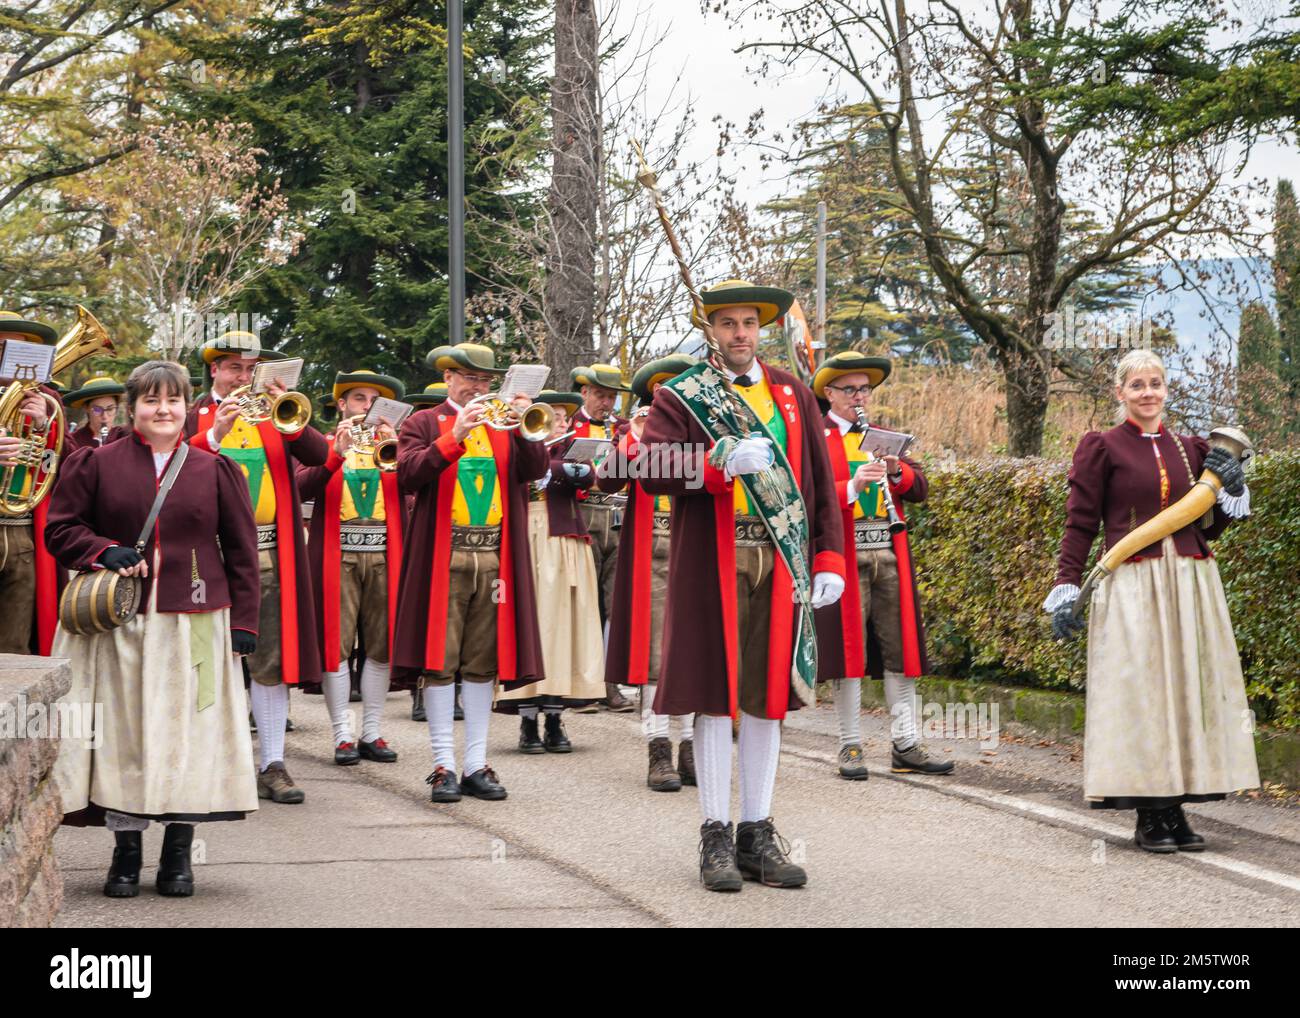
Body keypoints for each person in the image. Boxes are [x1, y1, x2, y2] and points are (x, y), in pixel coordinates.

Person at [641, 279, 845, 891]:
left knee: (765, 696)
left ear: (761, 330)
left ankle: (757, 832)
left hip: (780, 558)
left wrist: (829, 556)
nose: (740, 334)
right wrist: (718, 461)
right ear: (711, 330)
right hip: (716, 557)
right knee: (715, 693)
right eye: (727, 324)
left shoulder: (789, 391)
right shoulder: (681, 395)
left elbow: (819, 481)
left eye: (748, 324)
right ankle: (715, 834)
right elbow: (648, 466)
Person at [47, 360, 261, 898]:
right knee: (127, 738)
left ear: (187, 406)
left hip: (199, 623)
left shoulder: (215, 470)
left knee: (192, 736)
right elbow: (61, 529)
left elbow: (241, 553)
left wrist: (246, 624)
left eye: (171, 401)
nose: (161, 411)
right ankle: (126, 855)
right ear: (132, 407)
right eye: (150, 401)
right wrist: (102, 550)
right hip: (121, 624)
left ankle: (178, 855)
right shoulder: (96, 464)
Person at [1044, 349, 1258, 853]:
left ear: (1167, 390)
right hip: (1132, 584)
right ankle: (1149, 813)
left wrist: (1231, 488)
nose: (1148, 393)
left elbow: (1211, 527)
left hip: (1189, 580)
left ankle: (1175, 807)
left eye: (1156, 384)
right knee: (1143, 694)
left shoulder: (1191, 447)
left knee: (1185, 692)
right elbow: (1081, 522)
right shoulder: (1101, 447)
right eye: (1137, 385)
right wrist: (1066, 586)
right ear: (1120, 393)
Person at [392, 342, 548, 802]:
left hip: (494, 557)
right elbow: (406, 474)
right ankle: (443, 766)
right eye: (469, 378)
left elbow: (535, 471)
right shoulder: (423, 421)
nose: (478, 386)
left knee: (482, 664)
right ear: (449, 380)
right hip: (445, 555)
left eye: (484, 380)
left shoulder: (503, 425)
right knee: (440, 661)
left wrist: (524, 426)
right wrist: (453, 434)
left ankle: (477, 764)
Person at [185, 331, 328, 804]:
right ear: (215, 371)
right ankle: (206, 762)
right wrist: (214, 435)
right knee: (206, 661)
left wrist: (289, 414)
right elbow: (172, 470)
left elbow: (320, 457)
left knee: (269, 660)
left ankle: (273, 764)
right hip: (207, 559)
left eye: (250, 370)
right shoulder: (195, 415)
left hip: (267, 553)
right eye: (234, 369)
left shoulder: (275, 415)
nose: (243, 377)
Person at [811, 351, 951, 779]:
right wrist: (850, 486)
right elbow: (806, 496)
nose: (859, 397)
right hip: (845, 553)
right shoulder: (815, 440)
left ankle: (905, 743)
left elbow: (921, 487)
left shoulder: (885, 436)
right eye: (850, 389)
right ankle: (849, 745)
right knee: (848, 651)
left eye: (864, 389)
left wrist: (896, 473)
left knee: (900, 650)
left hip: (889, 552)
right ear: (829, 393)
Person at [298, 369, 407, 766]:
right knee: (337, 647)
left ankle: (372, 731)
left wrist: (400, 450)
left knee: (381, 647)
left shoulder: (392, 448)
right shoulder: (325, 445)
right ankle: (342, 733)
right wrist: (334, 455)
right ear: (342, 405)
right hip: (338, 556)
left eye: (373, 401)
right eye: (359, 399)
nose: (367, 407)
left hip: (383, 554)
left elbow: (413, 488)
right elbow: (300, 488)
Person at [604, 354, 699, 790]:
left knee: (695, 653)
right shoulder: (634, 433)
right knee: (655, 656)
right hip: (651, 550)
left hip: (694, 547)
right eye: (663, 394)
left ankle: (691, 746)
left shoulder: (701, 432)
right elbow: (606, 481)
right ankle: (658, 749)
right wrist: (633, 438)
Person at [496, 390, 605, 749]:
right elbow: (528, 471)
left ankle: (555, 715)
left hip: (566, 540)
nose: (560, 423)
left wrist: (558, 462)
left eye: (563, 418)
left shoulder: (572, 450)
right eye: (553, 416)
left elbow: (586, 475)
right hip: (529, 537)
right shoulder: (518, 447)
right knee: (536, 623)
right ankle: (528, 719)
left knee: (565, 625)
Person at [569, 363, 635, 712]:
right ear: (585, 393)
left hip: (618, 516)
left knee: (614, 603)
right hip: (584, 515)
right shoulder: (569, 426)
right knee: (586, 602)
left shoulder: (624, 430)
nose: (605, 403)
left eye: (611, 397)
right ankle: (583, 683)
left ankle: (609, 684)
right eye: (599, 395)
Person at [0, 309, 66, 656]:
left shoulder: (47, 404)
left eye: (18, 352)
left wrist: (43, 427)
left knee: (16, 647)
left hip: (23, 532)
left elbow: (61, 469)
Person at [63, 376, 128, 450]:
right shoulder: (74, 441)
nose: (104, 416)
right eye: (97, 410)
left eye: (110, 409)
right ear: (86, 408)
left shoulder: (125, 437)